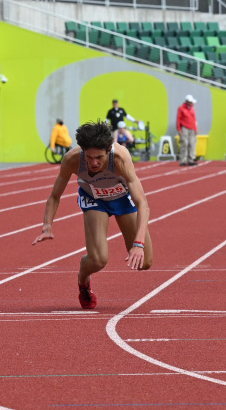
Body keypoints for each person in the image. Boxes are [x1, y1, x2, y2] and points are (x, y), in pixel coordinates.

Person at [32, 120, 153, 309]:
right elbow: (54, 196)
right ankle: (83, 278)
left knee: (145, 262)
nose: (94, 163)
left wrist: (138, 244)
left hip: (121, 198)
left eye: (99, 157)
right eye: (89, 157)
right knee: (98, 260)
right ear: (82, 151)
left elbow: (143, 204)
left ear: (108, 150)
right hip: (94, 199)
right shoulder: (72, 159)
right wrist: (47, 225)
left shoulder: (120, 158)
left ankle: (133, 248)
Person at [177, 94, 198, 166]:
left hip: (192, 129)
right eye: (191, 102)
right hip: (184, 128)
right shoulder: (181, 108)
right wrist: (179, 129)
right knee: (184, 144)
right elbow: (178, 119)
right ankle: (183, 160)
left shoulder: (192, 108)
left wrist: (196, 129)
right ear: (187, 102)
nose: (192, 103)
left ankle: (191, 159)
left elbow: (194, 119)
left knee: (192, 144)